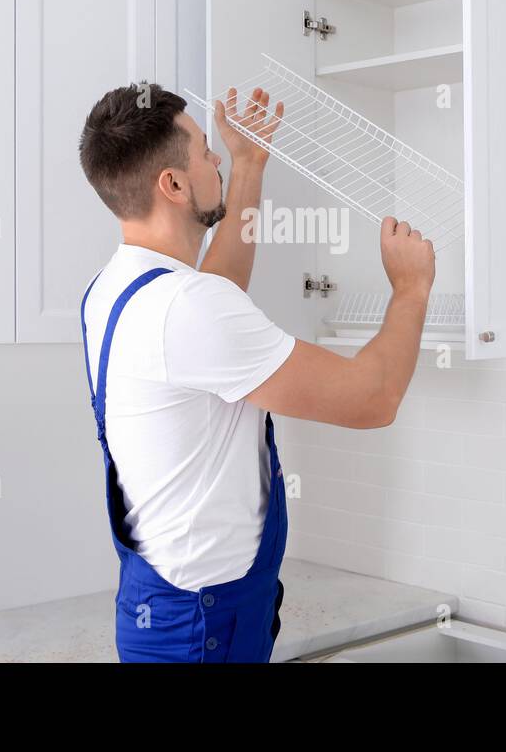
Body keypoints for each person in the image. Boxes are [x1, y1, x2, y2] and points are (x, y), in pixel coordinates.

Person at [77, 81, 435, 662]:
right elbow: (375, 398)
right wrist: (411, 289)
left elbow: (216, 291)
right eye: (203, 151)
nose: (213, 155)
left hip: (165, 609)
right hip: (205, 628)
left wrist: (248, 166)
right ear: (172, 184)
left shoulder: (115, 289)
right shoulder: (188, 309)